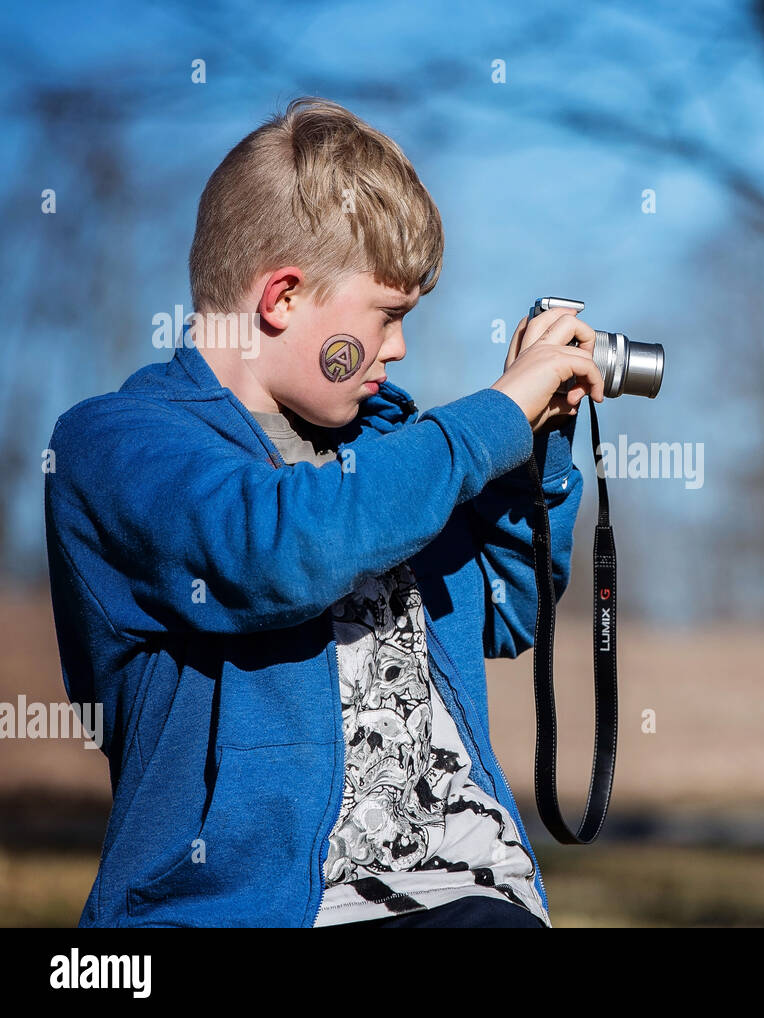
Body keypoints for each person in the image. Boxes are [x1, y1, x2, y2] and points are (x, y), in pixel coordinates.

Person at [42, 96, 604, 928]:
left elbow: (506, 609)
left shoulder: (398, 449)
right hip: (242, 909)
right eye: (387, 315)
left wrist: (535, 450)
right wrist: (491, 418)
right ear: (282, 298)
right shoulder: (115, 448)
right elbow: (277, 546)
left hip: (473, 901)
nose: (399, 348)